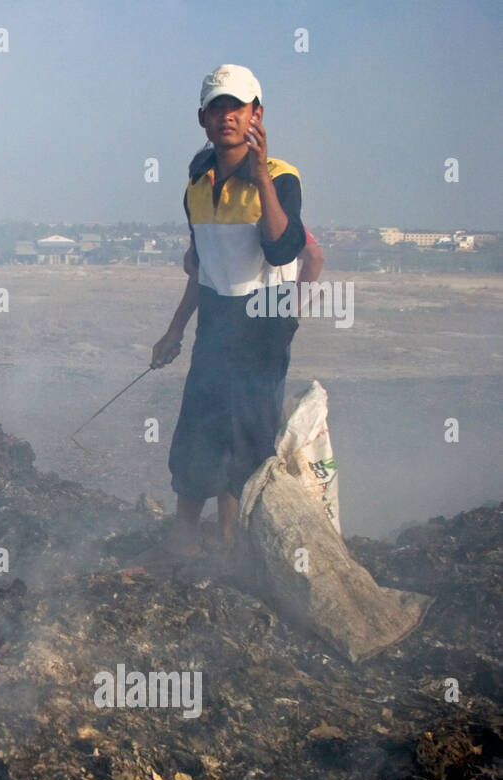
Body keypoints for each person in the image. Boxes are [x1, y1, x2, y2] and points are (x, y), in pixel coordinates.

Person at [148, 65, 307, 562]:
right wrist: (174, 330)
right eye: (217, 108)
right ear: (202, 118)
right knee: (199, 426)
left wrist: (259, 176)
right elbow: (201, 267)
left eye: (237, 108)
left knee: (246, 437)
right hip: (217, 321)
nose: (227, 118)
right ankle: (182, 538)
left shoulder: (280, 177)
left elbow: (282, 250)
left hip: (262, 324)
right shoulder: (197, 184)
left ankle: (230, 540)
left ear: (257, 115)